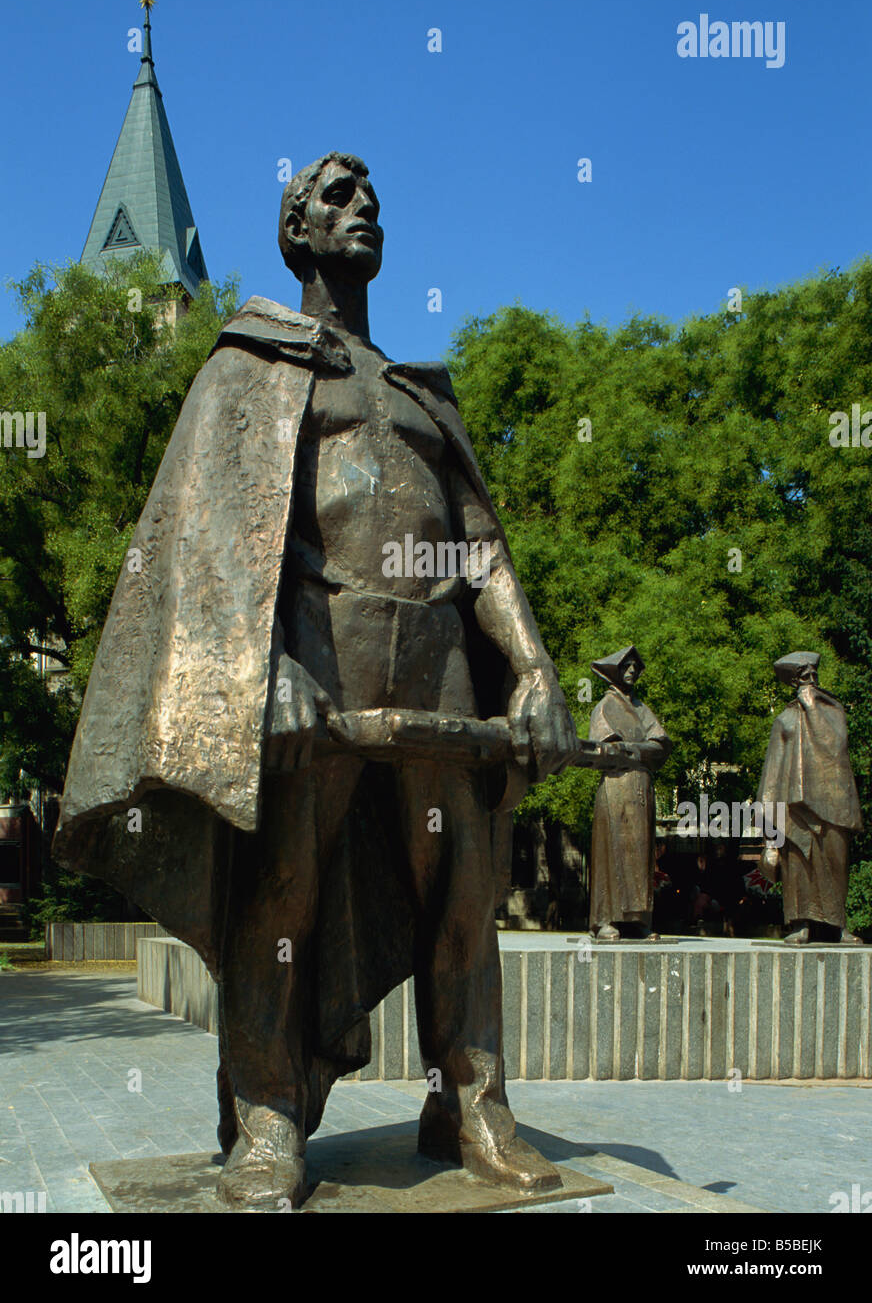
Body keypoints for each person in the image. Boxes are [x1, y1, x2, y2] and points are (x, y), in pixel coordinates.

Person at [54, 153, 584, 1208]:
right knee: (280, 892)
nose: (362, 209)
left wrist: (529, 668)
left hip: (436, 665)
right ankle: (268, 1118)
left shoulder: (418, 395)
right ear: (294, 232)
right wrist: (262, 665)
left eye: (371, 197)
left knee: (464, 897)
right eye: (335, 197)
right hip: (316, 646)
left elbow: (477, 546)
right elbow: (213, 536)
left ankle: (469, 1104)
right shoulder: (251, 365)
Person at [757, 651, 864, 946]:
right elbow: (772, 776)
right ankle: (799, 923)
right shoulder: (784, 720)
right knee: (798, 868)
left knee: (835, 863)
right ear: (793, 681)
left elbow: (836, 746)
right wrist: (769, 836)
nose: (811, 679)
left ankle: (837, 925)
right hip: (794, 807)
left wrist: (812, 707)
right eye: (804, 676)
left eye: (813, 674)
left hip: (833, 803)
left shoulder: (833, 713)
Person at [587, 646, 672, 941]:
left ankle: (637, 918)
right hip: (615, 785)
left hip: (641, 787)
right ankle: (604, 919)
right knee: (611, 850)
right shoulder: (604, 706)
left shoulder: (641, 708)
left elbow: (660, 745)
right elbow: (605, 748)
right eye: (627, 666)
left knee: (640, 853)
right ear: (615, 671)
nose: (633, 670)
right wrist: (633, 750)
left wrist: (634, 749)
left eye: (636, 666)